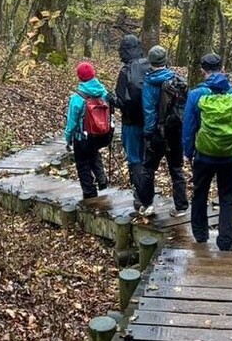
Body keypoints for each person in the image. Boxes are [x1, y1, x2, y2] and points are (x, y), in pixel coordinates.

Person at [182, 52, 232, 252]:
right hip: (230, 156)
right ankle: (225, 241)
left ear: (202, 71)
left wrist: (188, 152)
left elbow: (188, 128)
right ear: (223, 69)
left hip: (203, 156)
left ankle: (201, 235)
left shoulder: (196, 95)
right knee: (228, 197)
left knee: (200, 193)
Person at [140, 46, 189, 217]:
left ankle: (147, 204)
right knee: (176, 168)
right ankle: (181, 206)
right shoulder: (177, 79)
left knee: (148, 168)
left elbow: (149, 111)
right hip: (175, 132)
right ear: (166, 60)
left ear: (150, 61)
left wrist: (148, 134)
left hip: (157, 133)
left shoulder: (149, 82)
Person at [64, 61, 113, 199]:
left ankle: (89, 192)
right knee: (94, 153)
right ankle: (101, 178)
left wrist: (68, 139)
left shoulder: (77, 98)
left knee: (82, 164)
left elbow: (71, 123)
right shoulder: (104, 93)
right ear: (93, 75)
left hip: (82, 138)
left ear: (79, 77)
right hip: (100, 135)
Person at [114, 35, 150, 209]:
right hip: (151, 122)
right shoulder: (150, 66)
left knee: (134, 159)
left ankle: (141, 197)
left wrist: (110, 100)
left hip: (131, 123)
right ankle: (147, 192)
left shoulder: (125, 72)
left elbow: (121, 101)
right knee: (146, 158)